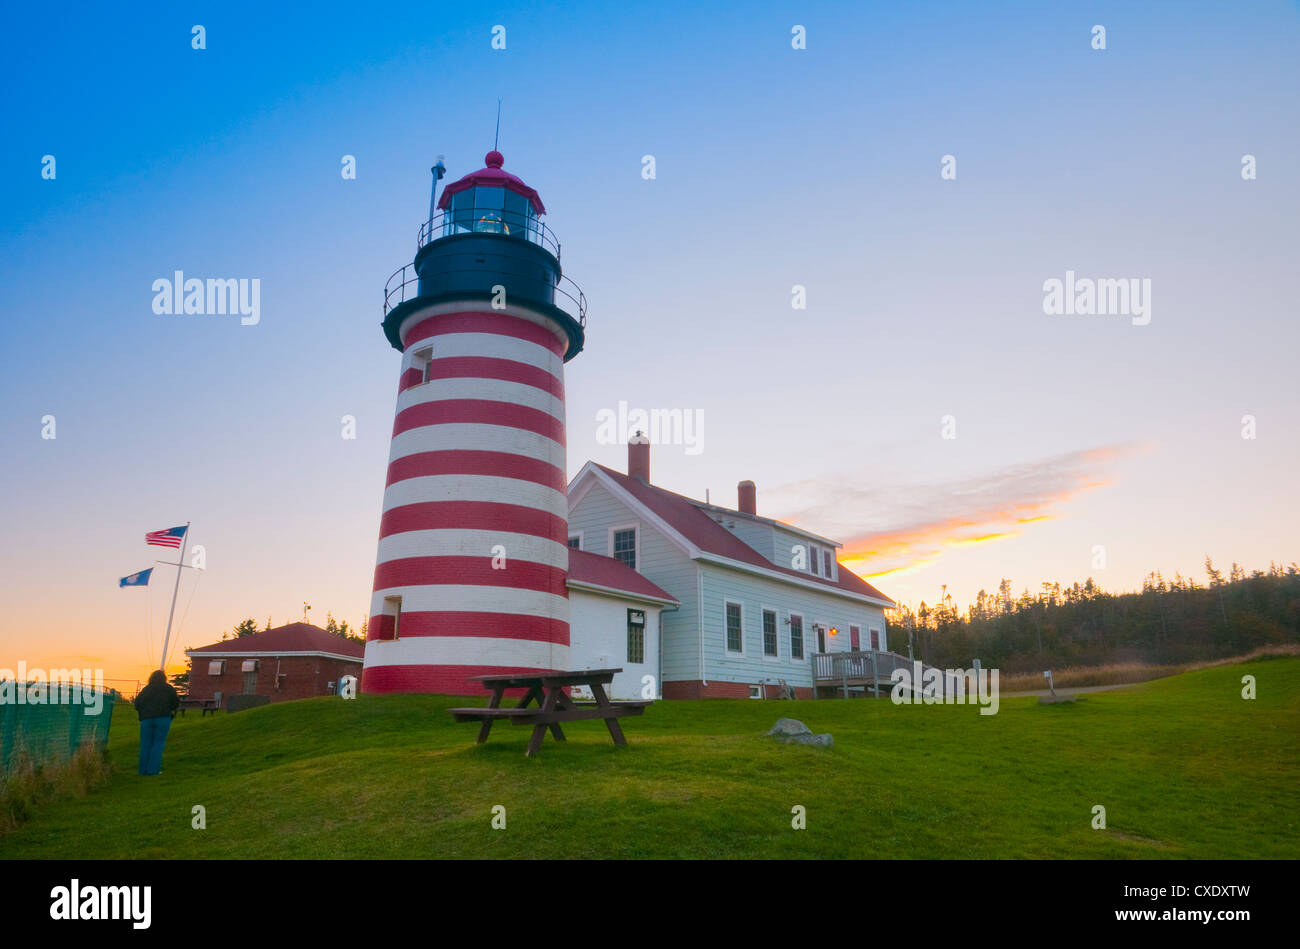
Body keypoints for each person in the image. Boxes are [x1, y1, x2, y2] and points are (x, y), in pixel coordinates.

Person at [133, 669, 179, 776]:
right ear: (164, 678)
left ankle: (142, 770)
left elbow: (137, 703)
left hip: (147, 719)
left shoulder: (147, 689)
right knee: (158, 744)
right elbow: (175, 703)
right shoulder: (169, 689)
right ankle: (153, 770)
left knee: (145, 745)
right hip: (163, 718)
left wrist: (143, 713)